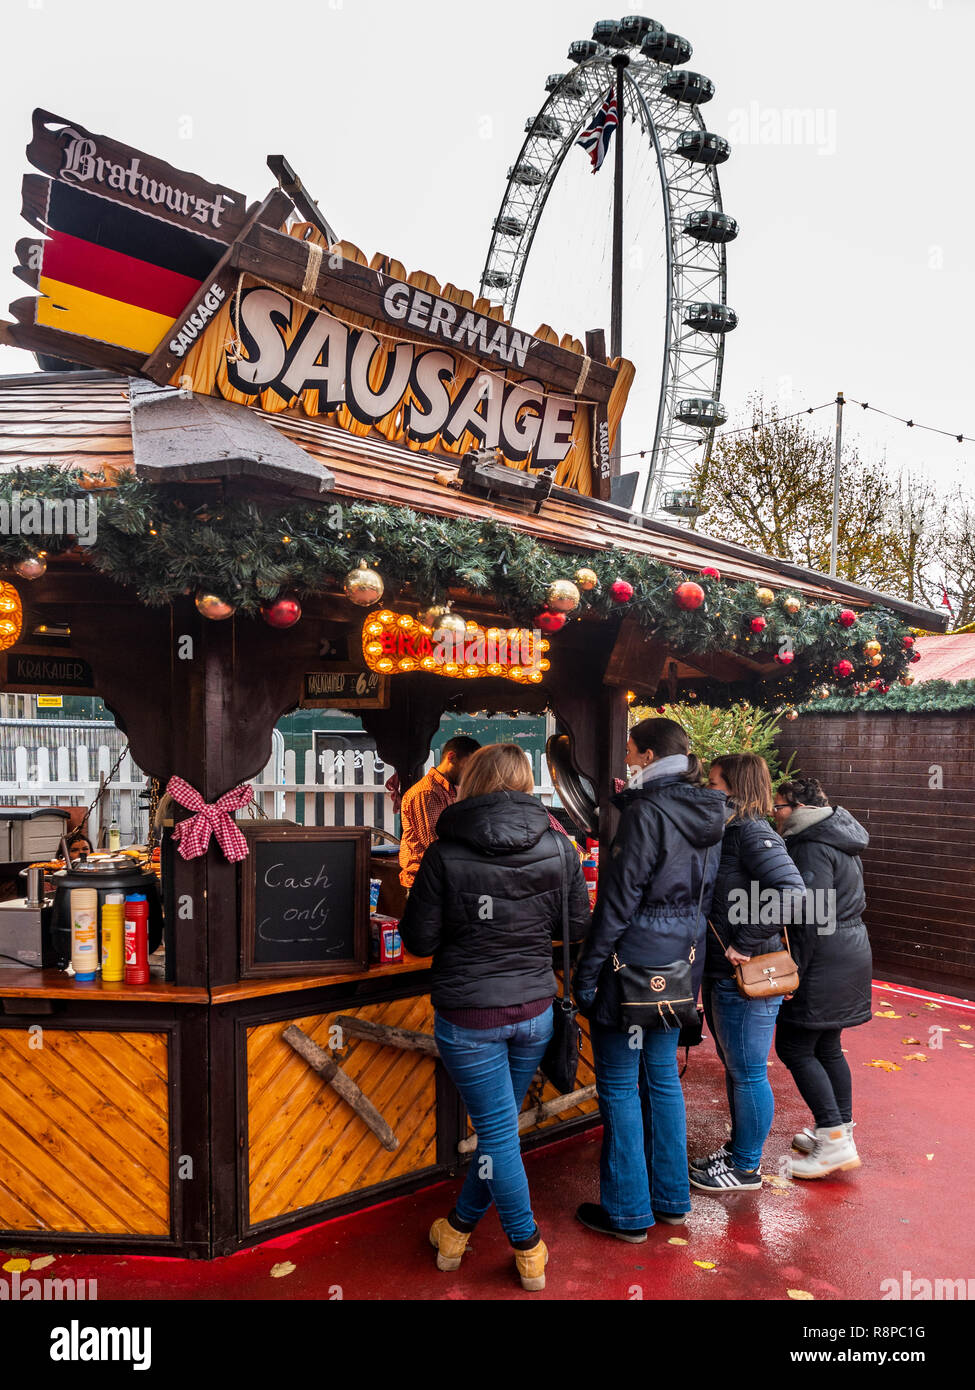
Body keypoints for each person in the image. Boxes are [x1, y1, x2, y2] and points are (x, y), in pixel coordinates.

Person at [399, 743, 590, 1291]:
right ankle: (456, 1231)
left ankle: (527, 1245)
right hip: (534, 1010)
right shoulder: (560, 846)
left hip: (470, 1016)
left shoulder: (443, 852)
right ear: (526, 782)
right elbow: (574, 928)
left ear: (471, 781)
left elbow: (418, 941)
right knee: (499, 1134)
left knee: (498, 1135)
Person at [572, 718, 727, 1239]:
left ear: (650, 755)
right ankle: (671, 1199)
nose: (628, 762)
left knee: (618, 1087)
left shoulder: (645, 812)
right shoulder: (709, 811)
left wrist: (586, 975)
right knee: (662, 1082)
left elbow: (618, 904)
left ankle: (628, 1213)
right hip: (679, 960)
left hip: (630, 962)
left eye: (632, 752)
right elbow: (704, 903)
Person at [690, 753, 806, 1193]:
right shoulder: (734, 831)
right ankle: (740, 1151)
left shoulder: (753, 833)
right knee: (737, 1068)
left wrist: (745, 941)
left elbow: (793, 892)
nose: (707, 789)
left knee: (749, 1071)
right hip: (726, 973)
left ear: (734, 787)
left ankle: (745, 1167)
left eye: (714, 783)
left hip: (747, 974)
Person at [772, 776, 871, 1178]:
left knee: (795, 1047)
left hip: (824, 956)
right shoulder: (838, 835)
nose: (774, 815)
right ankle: (839, 1132)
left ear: (797, 808)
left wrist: (795, 973)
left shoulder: (811, 845)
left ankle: (832, 1139)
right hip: (849, 950)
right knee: (827, 1045)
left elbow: (812, 918)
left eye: (778, 807)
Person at [397, 735, 480, 889]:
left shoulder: (448, 789)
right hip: (424, 882)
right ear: (451, 757)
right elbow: (436, 844)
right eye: (469, 766)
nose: (471, 774)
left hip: (440, 878)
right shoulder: (427, 793)